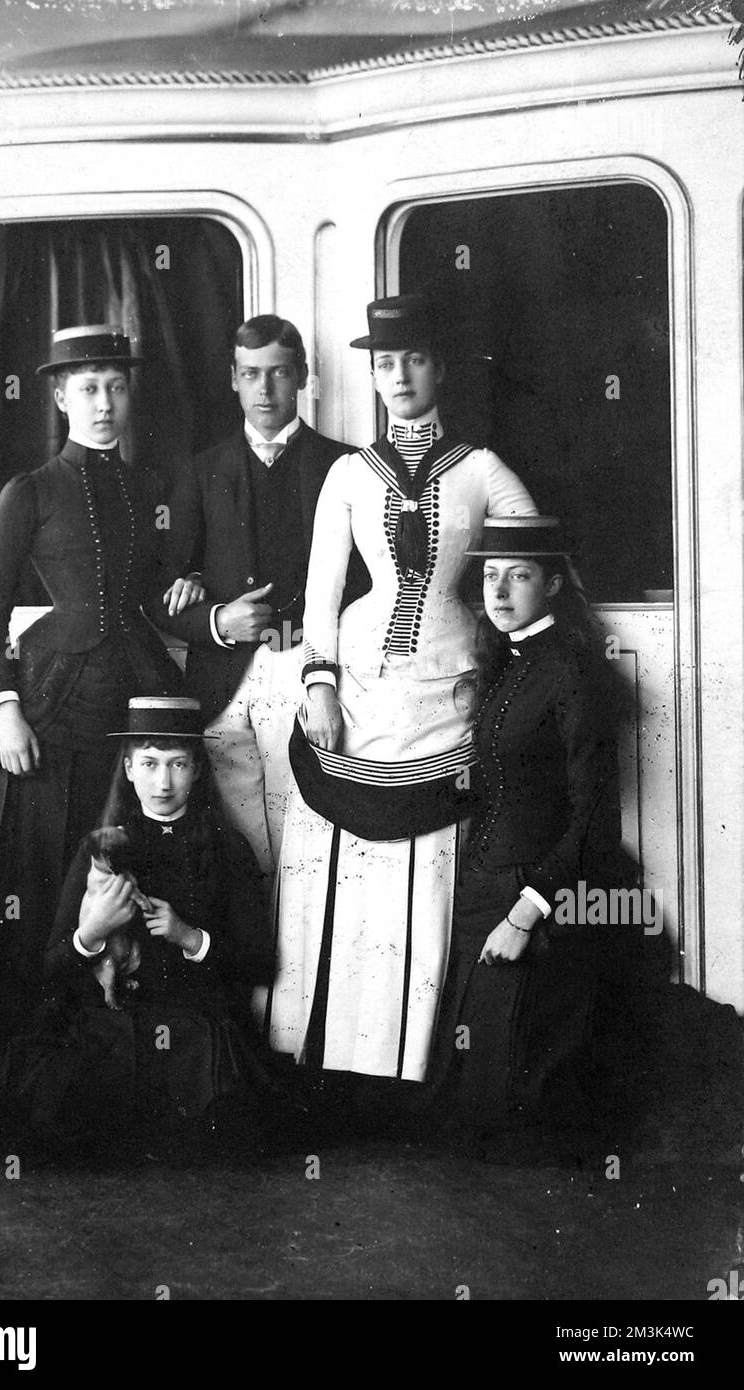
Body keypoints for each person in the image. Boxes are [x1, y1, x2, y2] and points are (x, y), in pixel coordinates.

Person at [262, 295, 537, 1095]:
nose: (400, 376)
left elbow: (533, 554)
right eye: (385, 363)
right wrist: (317, 681)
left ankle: (413, 1063)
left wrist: (495, 637)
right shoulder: (348, 473)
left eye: (414, 359)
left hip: (446, 696)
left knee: (429, 864)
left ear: (439, 368)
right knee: (350, 868)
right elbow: (318, 596)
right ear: (372, 376)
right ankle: (336, 1058)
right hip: (356, 688)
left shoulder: (480, 468)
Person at [0, 327, 199, 1051]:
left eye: (116, 386)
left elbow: (155, 585)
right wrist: (6, 708)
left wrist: (194, 591)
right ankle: (24, 1038)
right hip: (51, 698)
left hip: (132, 689)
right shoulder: (30, 491)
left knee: (130, 855)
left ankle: (111, 1039)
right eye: (89, 388)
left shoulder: (147, 488)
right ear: (61, 397)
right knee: (37, 869)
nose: (104, 403)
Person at [0, 698, 277, 1164]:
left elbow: (260, 962)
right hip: (109, 1021)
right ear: (127, 768)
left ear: (198, 770)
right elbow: (54, 965)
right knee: (42, 1099)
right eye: (149, 763)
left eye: (177, 764)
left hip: (192, 1026)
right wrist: (93, 932)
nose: (162, 782)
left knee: (209, 1126)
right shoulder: (99, 846)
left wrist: (189, 937)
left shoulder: (227, 848)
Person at [429, 516, 623, 1164]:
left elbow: (592, 819)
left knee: (515, 1121)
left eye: (518, 576)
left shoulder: (571, 673)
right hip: (485, 890)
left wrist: (525, 913)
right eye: (490, 576)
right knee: (465, 1112)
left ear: (553, 583)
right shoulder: (506, 665)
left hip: (542, 904)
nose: (500, 591)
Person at [164, 314, 366, 876]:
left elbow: (369, 585)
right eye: (251, 374)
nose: (265, 389)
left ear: (300, 375)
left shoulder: (345, 465)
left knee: (308, 838)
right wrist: (217, 621)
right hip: (221, 683)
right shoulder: (199, 472)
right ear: (233, 378)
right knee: (238, 847)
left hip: (309, 674)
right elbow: (161, 589)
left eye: (278, 373)